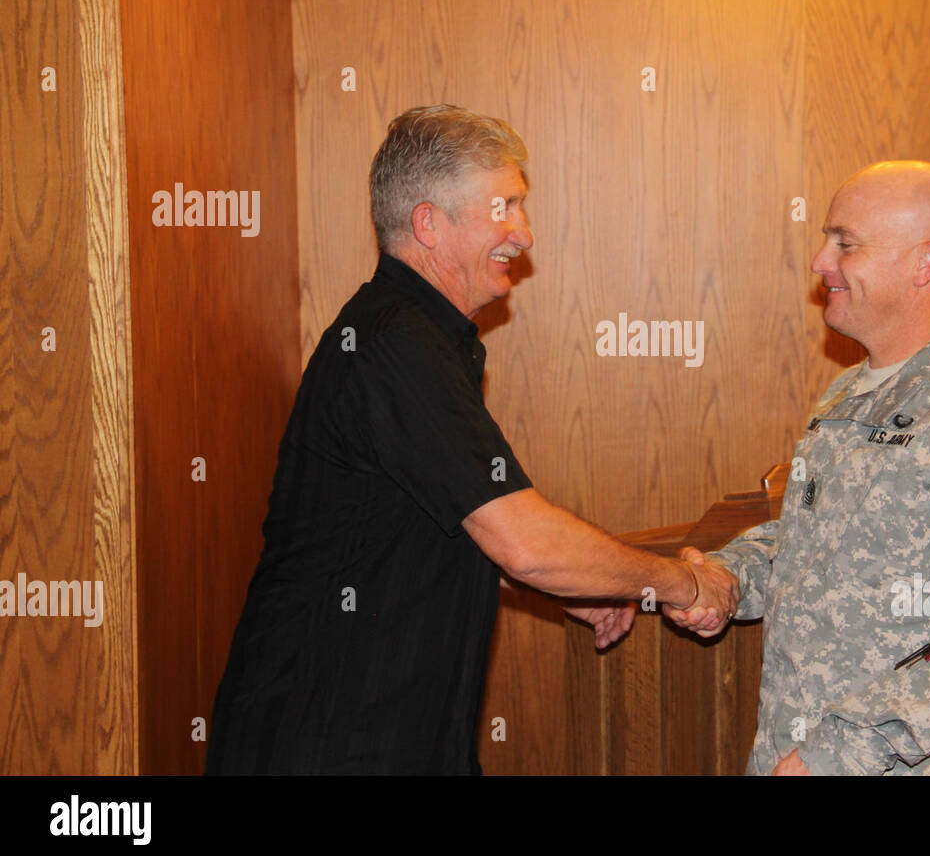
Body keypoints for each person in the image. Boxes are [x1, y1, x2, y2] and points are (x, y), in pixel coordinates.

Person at [206, 105, 736, 775]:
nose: (525, 232)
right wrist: (681, 583)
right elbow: (527, 543)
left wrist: (574, 584)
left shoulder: (418, 339)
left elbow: (438, 526)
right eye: (504, 207)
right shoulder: (392, 345)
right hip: (327, 743)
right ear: (429, 223)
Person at [668, 161, 930, 775]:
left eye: (845, 243)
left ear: (925, 262)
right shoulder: (847, 397)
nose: (820, 261)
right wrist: (726, 578)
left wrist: (838, 754)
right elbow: (813, 543)